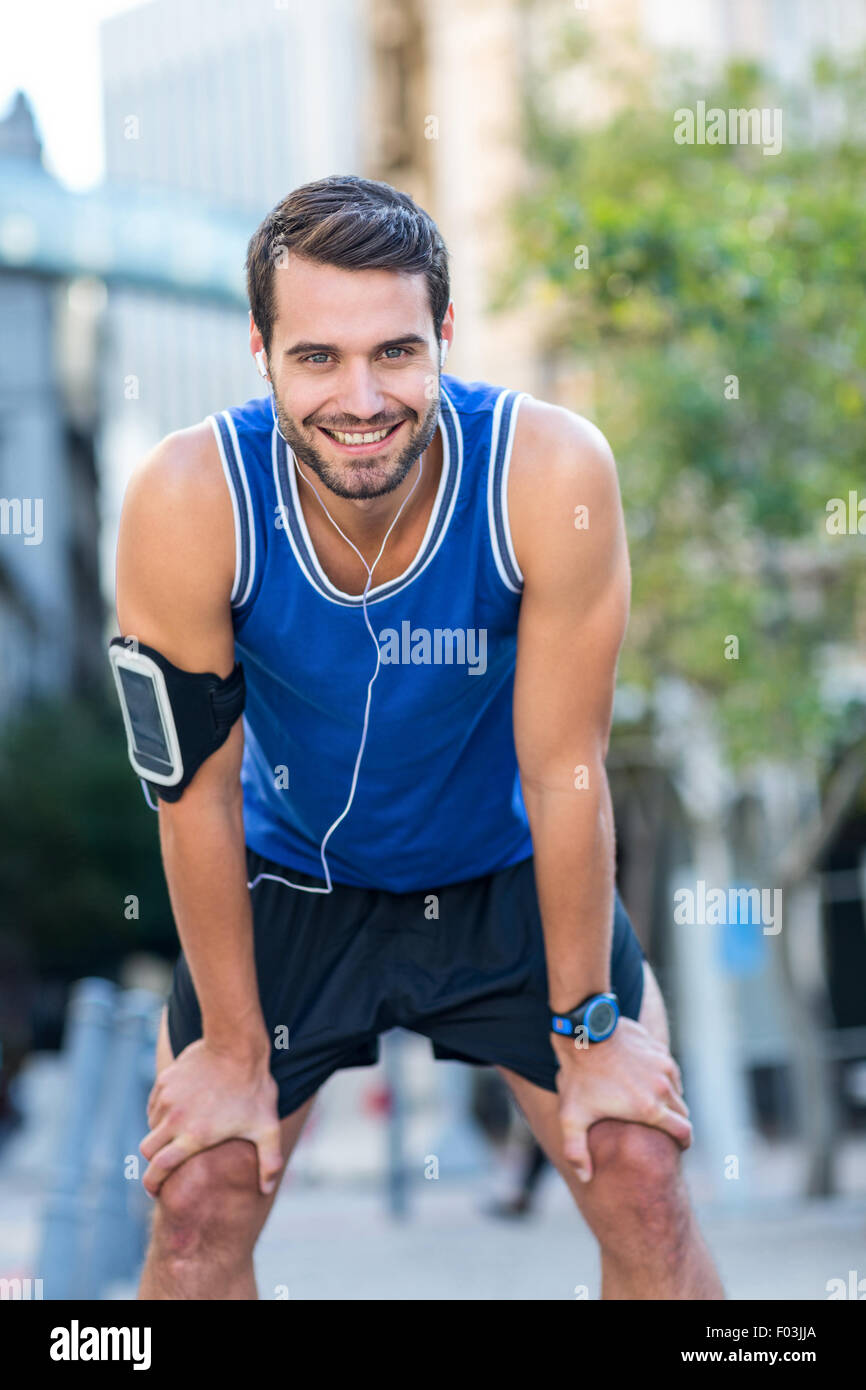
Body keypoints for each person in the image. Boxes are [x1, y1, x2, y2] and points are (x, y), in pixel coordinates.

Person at [113, 175, 724, 1300]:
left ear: (445, 334)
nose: (360, 397)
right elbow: (193, 791)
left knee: (637, 1166)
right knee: (200, 1198)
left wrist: (589, 1029)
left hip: (501, 878)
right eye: (317, 358)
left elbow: (563, 766)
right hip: (286, 881)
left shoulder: (547, 474)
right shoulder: (189, 497)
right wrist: (236, 1051)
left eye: (394, 352)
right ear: (259, 349)